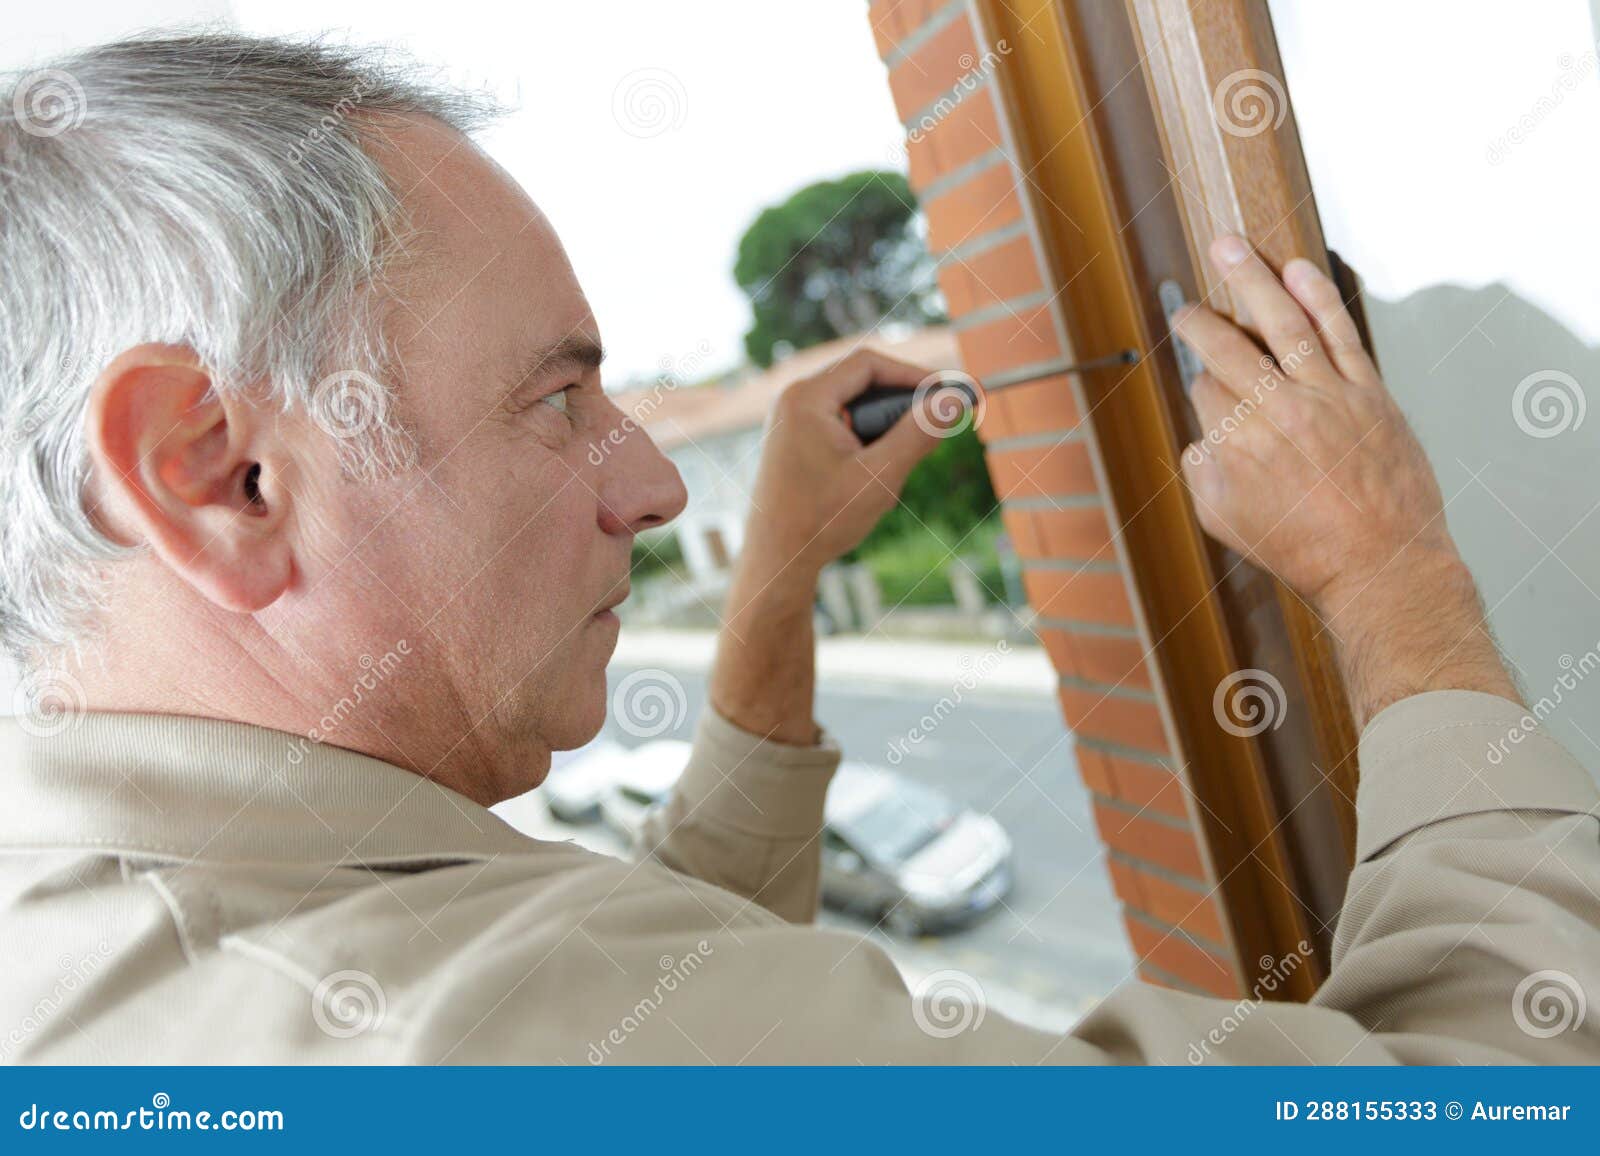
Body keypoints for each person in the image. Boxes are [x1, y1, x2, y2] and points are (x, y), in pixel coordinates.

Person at [0, 33, 1595, 1065]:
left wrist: (774, 588)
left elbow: (665, 965)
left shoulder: (111, 931)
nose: (653, 486)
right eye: (556, 402)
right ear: (222, 478)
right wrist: (1396, 576)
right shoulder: (462, 1038)